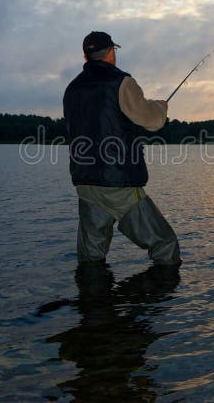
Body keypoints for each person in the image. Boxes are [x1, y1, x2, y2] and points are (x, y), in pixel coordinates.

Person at [63, 31, 181, 265]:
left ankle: (90, 289)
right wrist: (161, 106)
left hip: (85, 184)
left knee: (91, 257)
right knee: (165, 245)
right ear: (110, 53)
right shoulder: (122, 82)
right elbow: (152, 120)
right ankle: (162, 289)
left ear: (86, 57)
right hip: (119, 185)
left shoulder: (72, 89)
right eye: (113, 51)